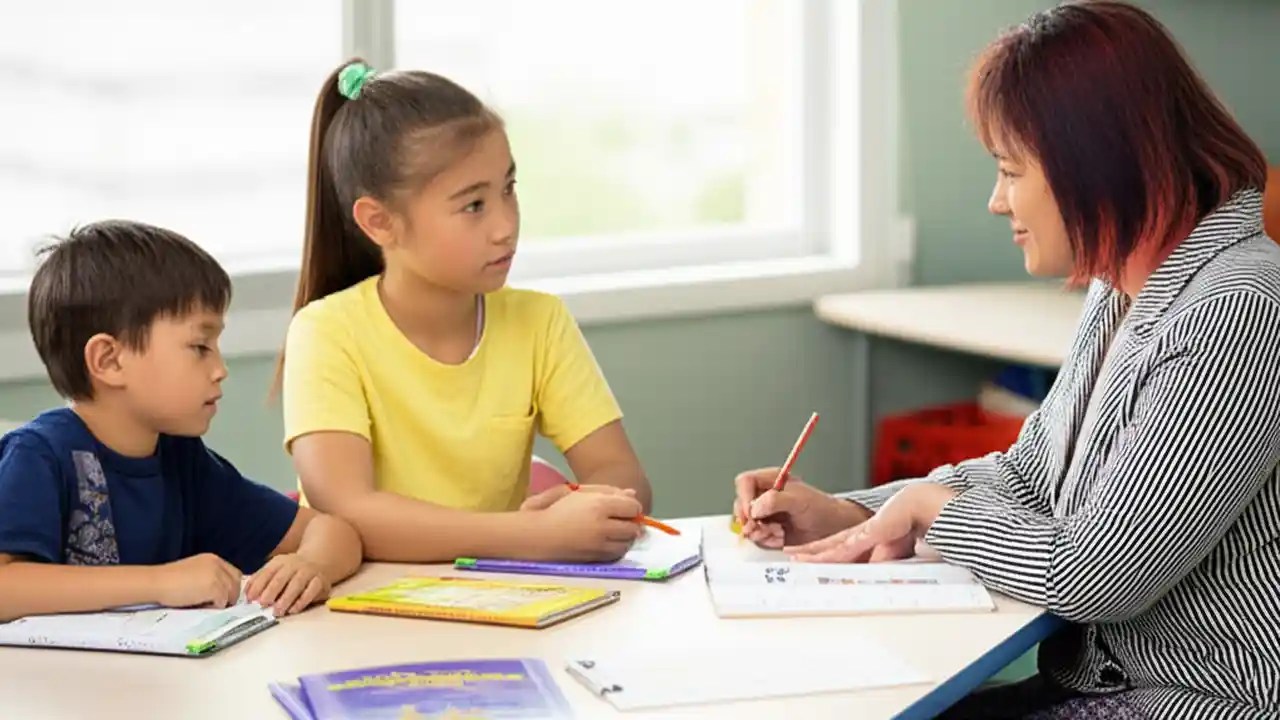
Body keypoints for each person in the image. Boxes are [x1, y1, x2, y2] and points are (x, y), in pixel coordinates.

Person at [733, 2, 1279, 718]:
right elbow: (1030, 474)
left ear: (1097, 163)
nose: (997, 201)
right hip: (1100, 683)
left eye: (1011, 170)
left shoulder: (1239, 308)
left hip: (1194, 701)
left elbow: (1101, 574)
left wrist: (932, 510)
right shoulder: (1124, 288)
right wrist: (848, 514)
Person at [278, 60, 653, 564]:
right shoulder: (325, 332)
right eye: (474, 205)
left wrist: (593, 505)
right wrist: (532, 535)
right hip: (361, 610)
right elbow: (347, 512)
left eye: (509, 189)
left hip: (503, 602)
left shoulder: (540, 322)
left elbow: (621, 474)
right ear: (381, 222)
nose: (506, 225)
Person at [0, 221, 363, 621]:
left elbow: (333, 532)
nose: (220, 369)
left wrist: (311, 566)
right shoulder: (37, 456)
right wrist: (159, 583)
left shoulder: (181, 460)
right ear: (109, 360)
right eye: (199, 346)